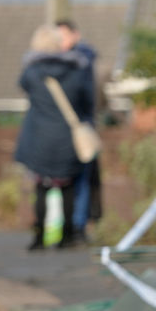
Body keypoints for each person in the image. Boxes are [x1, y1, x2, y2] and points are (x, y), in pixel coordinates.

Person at [14, 24, 94, 250]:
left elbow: (23, 87)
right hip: (68, 137)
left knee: (42, 188)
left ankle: (39, 237)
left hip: (39, 137)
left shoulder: (31, 73)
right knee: (68, 188)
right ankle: (66, 236)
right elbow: (87, 102)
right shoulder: (76, 70)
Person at [56, 18, 100, 240]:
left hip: (79, 126)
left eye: (63, 36)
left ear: (75, 35)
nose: (59, 42)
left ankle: (77, 226)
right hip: (68, 127)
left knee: (81, 179)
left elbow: (87, 98)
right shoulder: (81, 61)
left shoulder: (77, 63)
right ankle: (69, 225)